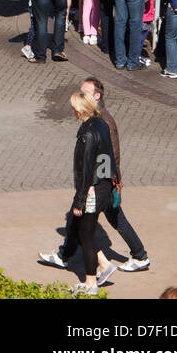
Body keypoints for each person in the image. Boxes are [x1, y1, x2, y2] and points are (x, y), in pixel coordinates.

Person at [39, 91, 117, 294]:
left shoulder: (87, 134)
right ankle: (104, 265)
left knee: (86, 234)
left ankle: (91, 282)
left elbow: (86, 170)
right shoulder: (101, 124)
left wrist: (79, 201)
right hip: (103, 185)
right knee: (79, 228)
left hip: (92, 189)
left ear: (79, 110)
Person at [78, 77, 150, 271]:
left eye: (84, 93)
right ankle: (140, 255)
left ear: (97, 95)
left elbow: (110, 155)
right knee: (116, 217)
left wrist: (100, 184)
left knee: (83, 221)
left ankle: (76, 259)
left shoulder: (102, 121)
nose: (80, 96)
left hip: (103, 182)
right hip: (107, 181)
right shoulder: (98, 117)